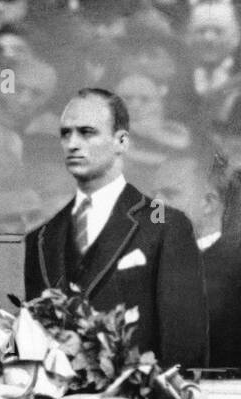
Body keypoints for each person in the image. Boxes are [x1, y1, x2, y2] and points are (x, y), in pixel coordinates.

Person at [24, 88, 209, 369]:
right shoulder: (40, 238)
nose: (73, 143)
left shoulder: (165, 226)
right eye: (65, 133)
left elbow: (184, 343)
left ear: (121, 141)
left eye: (87, 132)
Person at [153, 152, 241, 369]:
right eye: (155, 194)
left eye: (169, 195)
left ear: (208, 203)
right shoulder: (141, 265)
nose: (156, 205)